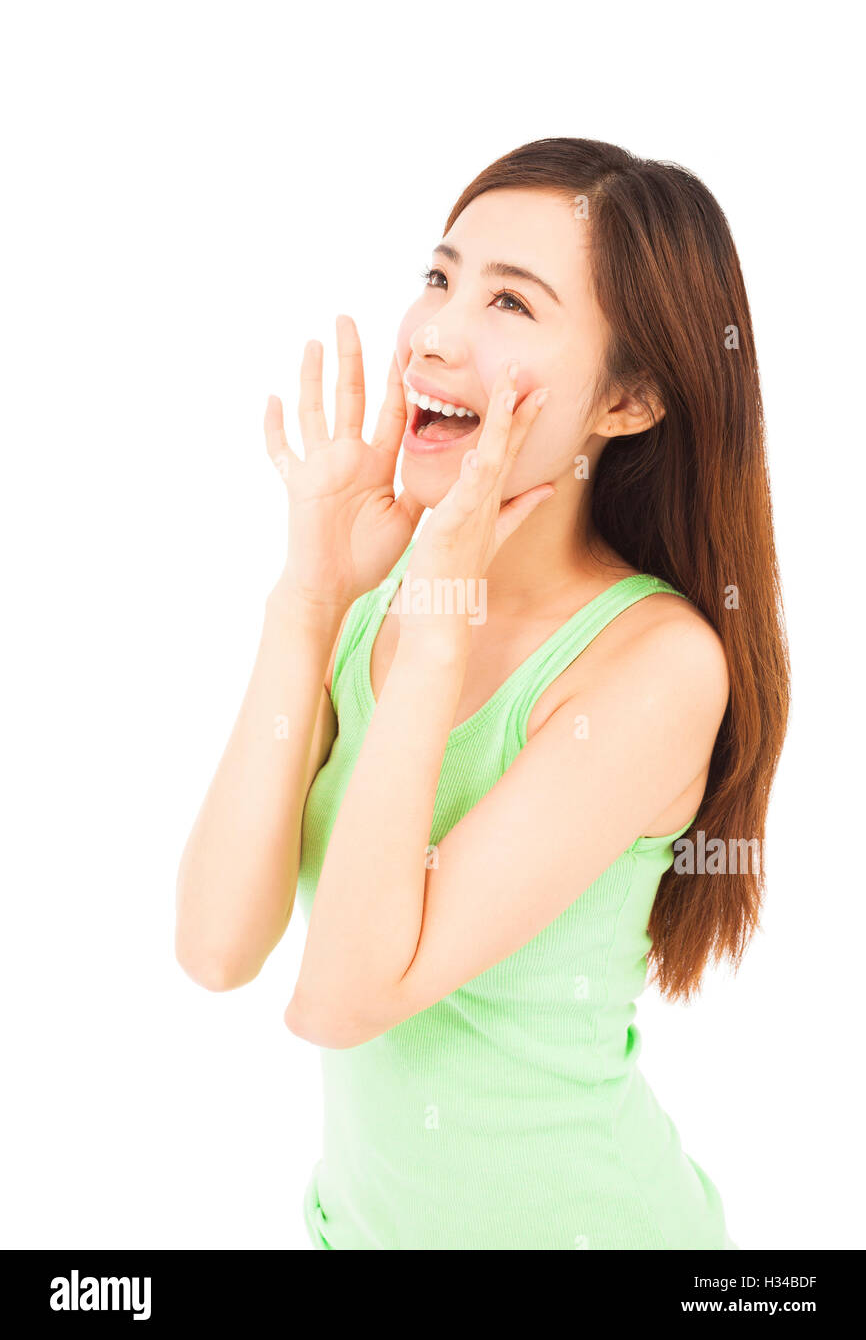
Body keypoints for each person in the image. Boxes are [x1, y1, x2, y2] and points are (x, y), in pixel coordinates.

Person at [175, 137, 790, 1250]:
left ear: (632, 397)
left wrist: (438, 636)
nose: (438, 333)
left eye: (511, 303)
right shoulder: (375, 601)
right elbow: (217, 946)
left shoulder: (654, 666)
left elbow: (341, 997)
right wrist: (309, 595)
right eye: (440, 277)